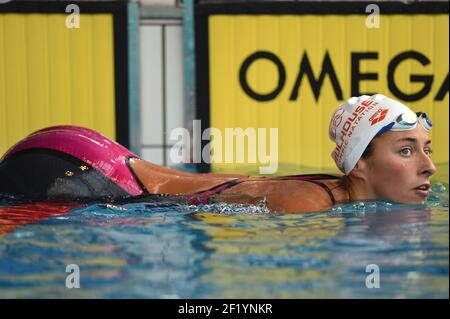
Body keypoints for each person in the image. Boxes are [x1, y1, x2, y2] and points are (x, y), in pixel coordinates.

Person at [0, 94, 436, 213]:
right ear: (359, 162)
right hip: (82, 171)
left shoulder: (331, 192)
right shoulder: (309, 201)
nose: (429, 166)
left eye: (427, 150)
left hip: (90, 157)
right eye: (406, 150)